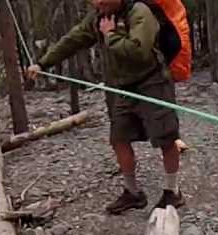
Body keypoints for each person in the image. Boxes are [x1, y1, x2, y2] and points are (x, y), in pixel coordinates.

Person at [26, 0, 183, 215]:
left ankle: (172, 191)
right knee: (119, 139)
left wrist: (110, 35)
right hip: (121, 88)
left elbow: (138, 52)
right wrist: (43, 63)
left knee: (165, 137)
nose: (97, 8)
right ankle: (133, 192)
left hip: (152, 83)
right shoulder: (99, 16)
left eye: (101, 3)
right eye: (95, 3)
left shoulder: (140, 12)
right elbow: (74, 39)